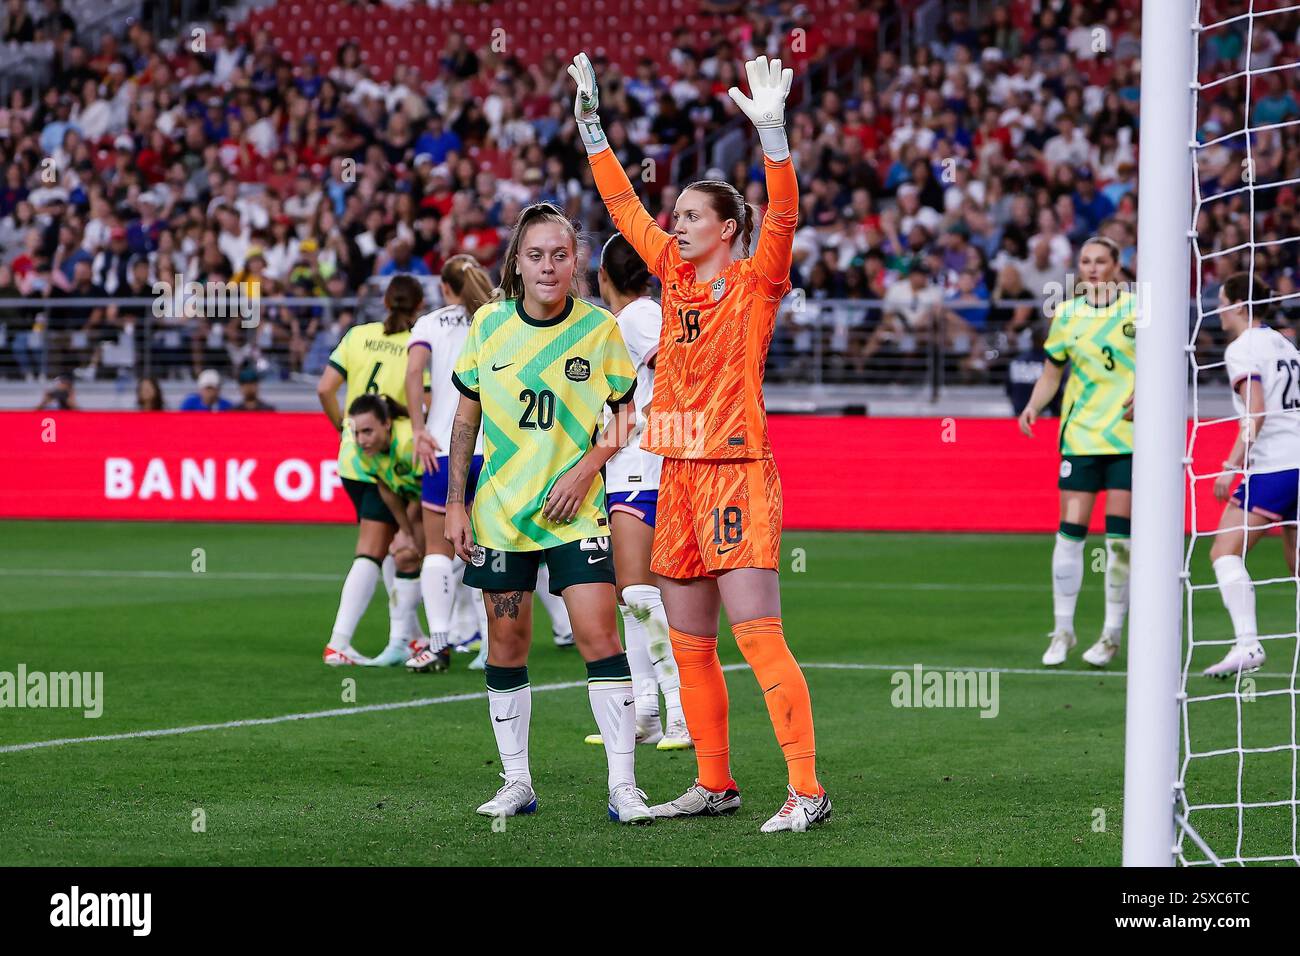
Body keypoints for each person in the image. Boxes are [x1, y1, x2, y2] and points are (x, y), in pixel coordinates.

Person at [572, 53, 830, 832]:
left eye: (689, 215)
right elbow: (622, 206)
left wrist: (774, 141)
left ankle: (808, 792)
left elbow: (782, 215)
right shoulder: (670, 279)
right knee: (689, 645)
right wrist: (591, 129)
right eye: (674, 214)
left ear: (726, 229)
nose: (673, 223)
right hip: (675, 476)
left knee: (759, 638)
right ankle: (714, 784)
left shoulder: (755, 281)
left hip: (736, 472)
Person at [443, 200, 653, 824]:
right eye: (536, 255)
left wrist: (586, 468)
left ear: (576, 262)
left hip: (578, 513)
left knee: (599, 637)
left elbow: (624, 415)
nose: (549, 267)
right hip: (500, 514)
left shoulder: (598, 330)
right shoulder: (488, 325)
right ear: (517, 263)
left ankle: (623, 786)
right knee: (506, 645)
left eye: (560, 255)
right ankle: (516, 782)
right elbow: (464, 418)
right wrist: (455, 504)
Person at [581, 234, 690, 751]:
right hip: (644, 463)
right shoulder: (647, 314)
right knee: (634, 597)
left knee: (640, 594)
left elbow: (672, 367)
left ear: (604, 278)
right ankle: (646, 711)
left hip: (640, 466)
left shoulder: (636, 318)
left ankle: (681, 710)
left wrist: (656, 429)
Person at [1018, 236, 1134, 669]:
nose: (1092, 268)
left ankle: (1110, 635)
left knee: (1120, 540)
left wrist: (1146, 390)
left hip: (1127, 438)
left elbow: (1165, 362)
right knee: (1070, 533)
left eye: (1101, 261)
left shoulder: (1137, 309)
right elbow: (1052, 373)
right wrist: (1034, 404)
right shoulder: (1067, 313)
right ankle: (1063, 630)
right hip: (1081, 438)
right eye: (1085, 261)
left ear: (1117, 264)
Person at [316, 275, 428, 666]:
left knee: (390, 550)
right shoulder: (419, 343)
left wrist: (346, 430)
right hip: (392, 449)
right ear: (419, 306)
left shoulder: (357, 335)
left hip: (354, 455)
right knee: (376, 550)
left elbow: (325, 388)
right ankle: (340, 641)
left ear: (383, 300)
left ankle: (410, 636)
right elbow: (426, 400)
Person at [1205, 273, 1300, 677]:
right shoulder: (1285, 344)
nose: (1218, 309)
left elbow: (1256, 410)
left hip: (1277, 464)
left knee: (1223, 551)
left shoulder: (1242, 348)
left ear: (1238, 305)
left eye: (1222, 301)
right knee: (1296, 564)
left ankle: (1247, 644)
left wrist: (1232, 464)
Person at [404, 254, 493, 674]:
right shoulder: (497, 316)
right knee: (486, 549)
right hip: (492, 449)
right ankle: (493, 647)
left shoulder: (429, 323)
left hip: (444, 446)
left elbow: (413, 373)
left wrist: (419, 429)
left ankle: (438, 643)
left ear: (444, 287)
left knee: (437, 552)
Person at [347, 392, 429, 668]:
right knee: (403, 556)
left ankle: (470, 637)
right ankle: (402, 643)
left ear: (387, 424)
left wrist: (413, 533)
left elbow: (424, 492)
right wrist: (404, 531)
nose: (361, 440)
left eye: (368, 431)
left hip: (447, 500)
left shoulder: (409, 443)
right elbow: (389, 492)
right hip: (418, 502)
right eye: (357, 433)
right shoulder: (364, 452)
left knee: (449, 565)